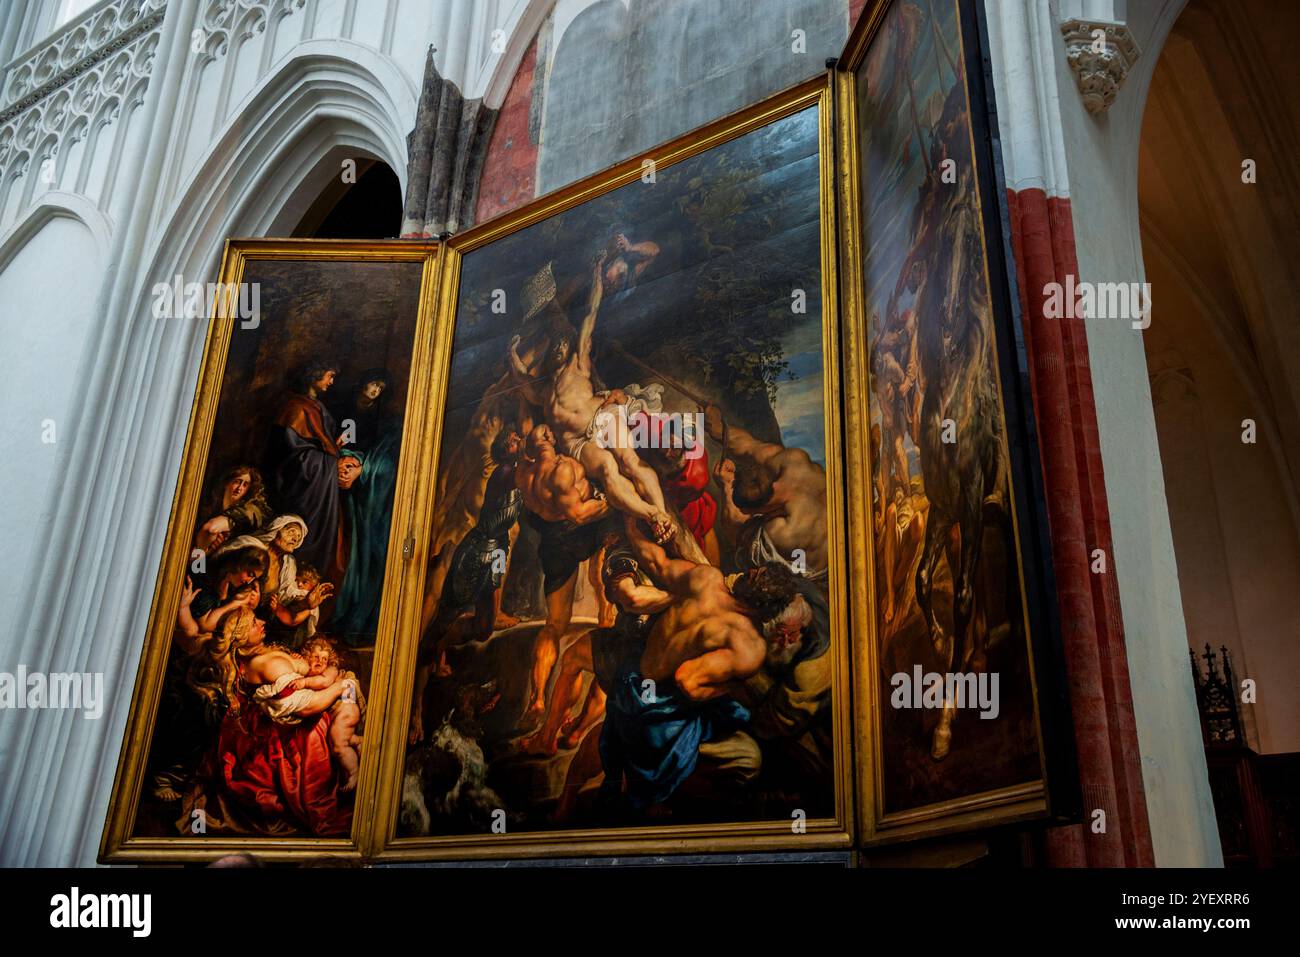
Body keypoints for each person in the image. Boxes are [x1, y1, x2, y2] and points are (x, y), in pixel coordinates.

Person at [508, 254, 674, 544]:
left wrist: (597, 274)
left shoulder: (579, 362)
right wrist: (511, 354)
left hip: (600, 417)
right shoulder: (543, 390)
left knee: (628, 460)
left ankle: (662, 512)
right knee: (608, 469)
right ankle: (652, 514)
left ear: (568, 348)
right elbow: (522, 381)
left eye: (561, 346)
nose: (557, 350)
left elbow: (591, 312)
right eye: (555, 348)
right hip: (576, 443)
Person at [409, 428, 523, 744]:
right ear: (505, 449)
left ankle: (442, 643)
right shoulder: (506, 472)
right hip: (476, 553)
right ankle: (416, 704)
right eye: (514, 440)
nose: (520, 442)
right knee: (440, 626)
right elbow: (533, 479)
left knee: (485, 628)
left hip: (498, 551)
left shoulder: (517, 470)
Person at [513, 423, 613, 731]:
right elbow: (580, 515)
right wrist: (611, 502)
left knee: (555, 624)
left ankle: (538, 697)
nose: (546, 431)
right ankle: (559, 706)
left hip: (554, 541)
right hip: (585, 530)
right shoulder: (563, 469)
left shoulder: (524, 473)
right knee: (603, 598)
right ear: (549, 438)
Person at [706, 404, 829, 590]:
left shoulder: (782, 532)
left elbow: (735, 532)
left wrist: (726, 487)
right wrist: (718, 428)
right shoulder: (792, 461)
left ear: (750, 511)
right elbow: (748, 446)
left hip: (819, 584)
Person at [263, 359, 346, 574]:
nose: (332, 381)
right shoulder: (295, 407)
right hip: (303, 487)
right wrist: (328, 462)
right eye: (329, 376)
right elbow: (290, 455)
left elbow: (319, 443)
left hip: (320, 483)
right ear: (315, 375)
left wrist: (333, 449)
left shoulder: (318, 406)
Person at [296, 637, 364, 791]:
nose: (320, 661)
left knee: (338, 747)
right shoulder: (310, 673)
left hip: (345, 710)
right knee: (340, 740)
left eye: (324, 659)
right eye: (316, 657)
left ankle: (354, 772)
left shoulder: (330, 671)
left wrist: (304, 683)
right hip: (340, 715)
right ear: (307, 657)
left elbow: (324, 683)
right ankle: (357, 741)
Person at [194, 465, 271, 552]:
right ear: (226, 483)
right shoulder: (212, 506)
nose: (240, 488)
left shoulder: (247, 511)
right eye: (237, 482)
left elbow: (211, 529)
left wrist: (199, 553)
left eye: (245, 485)